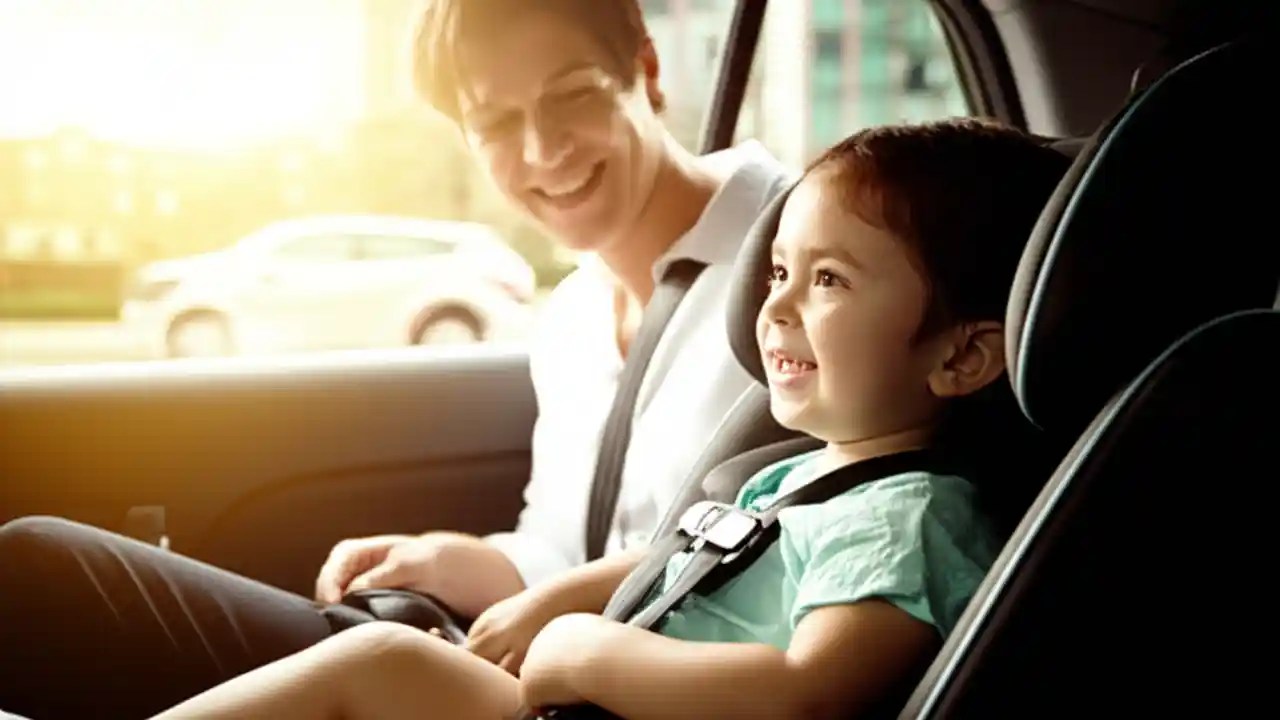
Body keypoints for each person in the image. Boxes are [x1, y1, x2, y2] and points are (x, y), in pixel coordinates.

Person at [0, 1, 792, 718]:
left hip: (622, 687)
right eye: (496, 123)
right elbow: (563, 544)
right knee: (39, 574)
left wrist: (559, 621)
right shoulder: (575, 312)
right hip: (504, 659)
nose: (542, 150)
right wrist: (454, 561)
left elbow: (802, 546)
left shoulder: (807, 262)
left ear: (644, 70)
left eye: (572, 95)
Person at [141, 117, 1073, 720]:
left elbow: (806, 692)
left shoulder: (909, 518)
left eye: (829, 280)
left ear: (961, 357)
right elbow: (688, 553)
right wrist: (553, 605)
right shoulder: (801, 475)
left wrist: (589, 653)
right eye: (780, 271)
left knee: (378, 662)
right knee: (384, 660)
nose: (777, 306)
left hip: (601, 698)